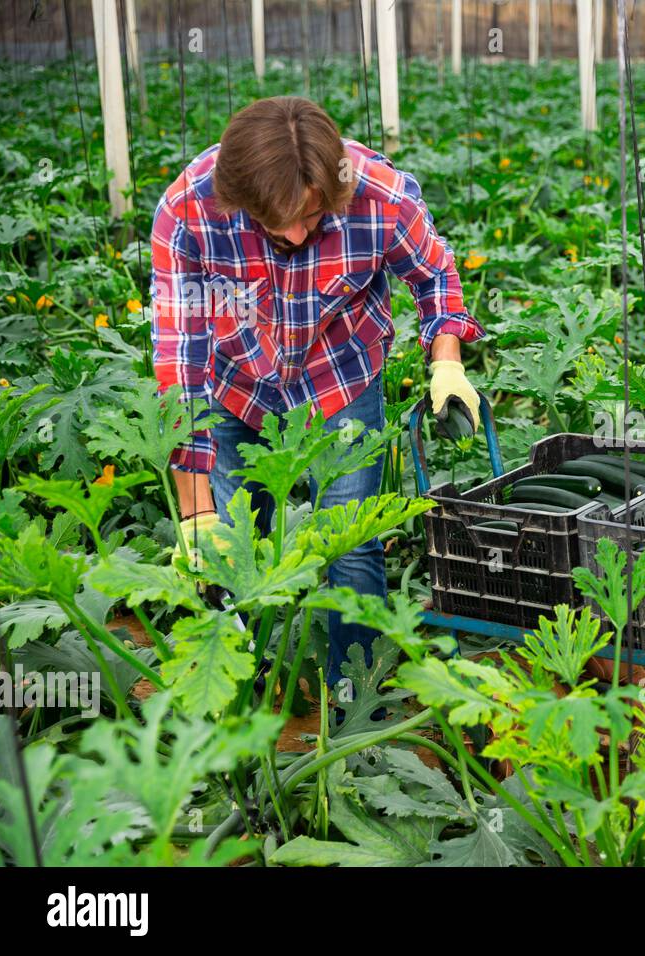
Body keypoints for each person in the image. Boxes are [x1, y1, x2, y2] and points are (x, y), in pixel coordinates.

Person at [151, 96, 483, 691]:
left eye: (313, 216)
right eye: (284, 222)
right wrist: (195, 509)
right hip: (236, 390)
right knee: (234, 548)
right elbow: (181, 361)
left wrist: (447, 362)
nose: (302, 233)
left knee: (350, 547)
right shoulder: (189, 212)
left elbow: (436, 276)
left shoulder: (379, 195)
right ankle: (239, 700)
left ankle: (353, 699)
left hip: (341, 379)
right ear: (241, 202)